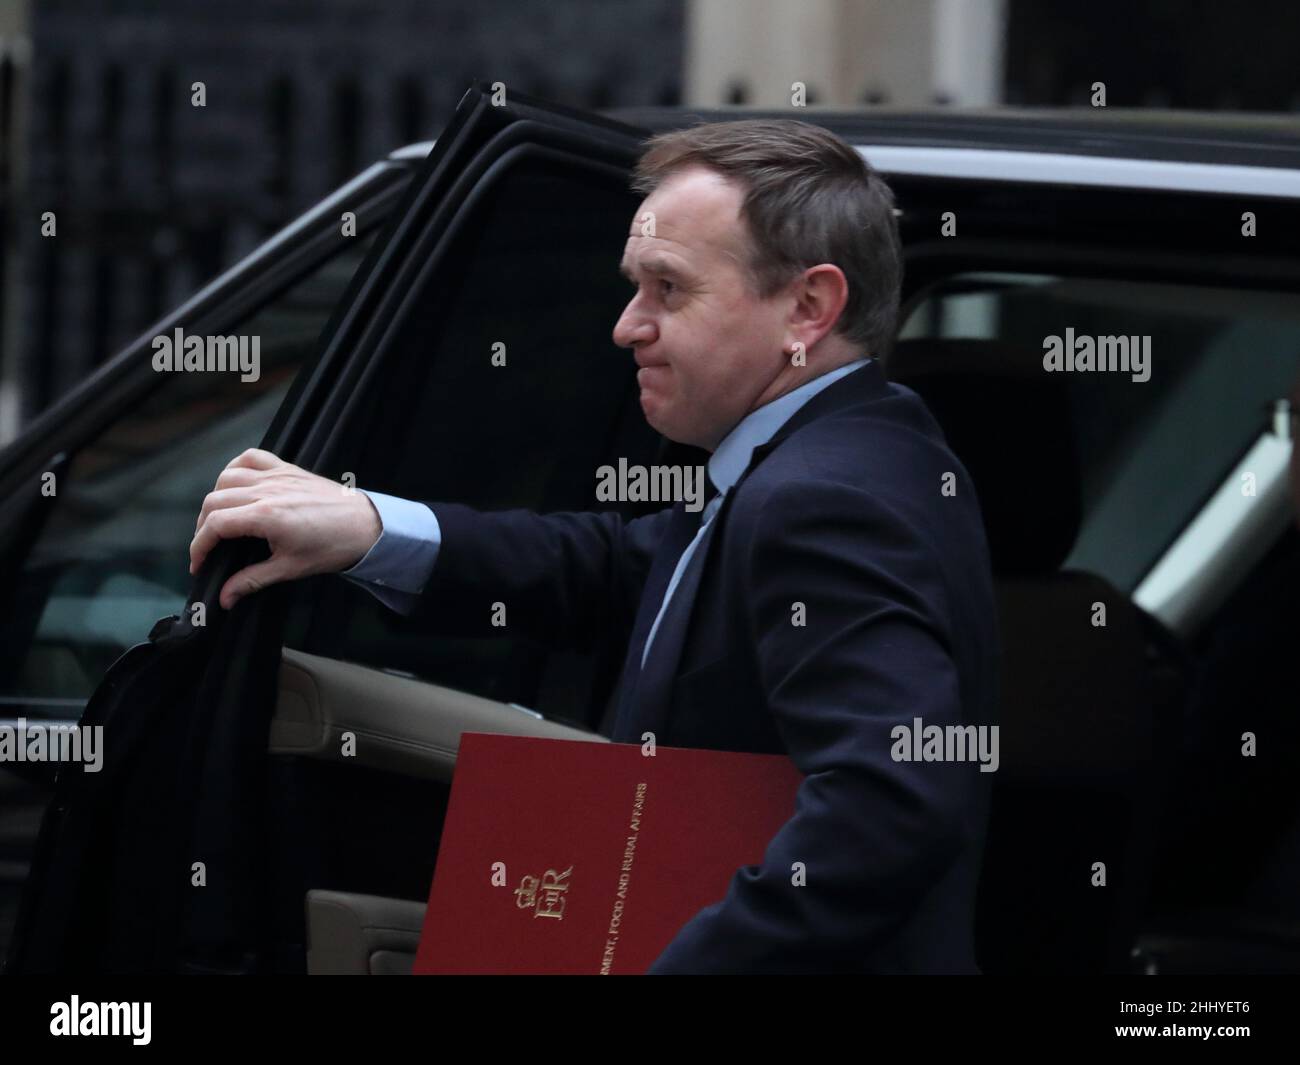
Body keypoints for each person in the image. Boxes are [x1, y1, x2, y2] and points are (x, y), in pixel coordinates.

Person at [190, 119, 999, 973]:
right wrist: (371, 527)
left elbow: (892, 802)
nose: (625, 326)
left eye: (667, 289)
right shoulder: (827, 456)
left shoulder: (822, 496)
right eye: (632, 286)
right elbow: (621, 566)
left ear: (808, 306)